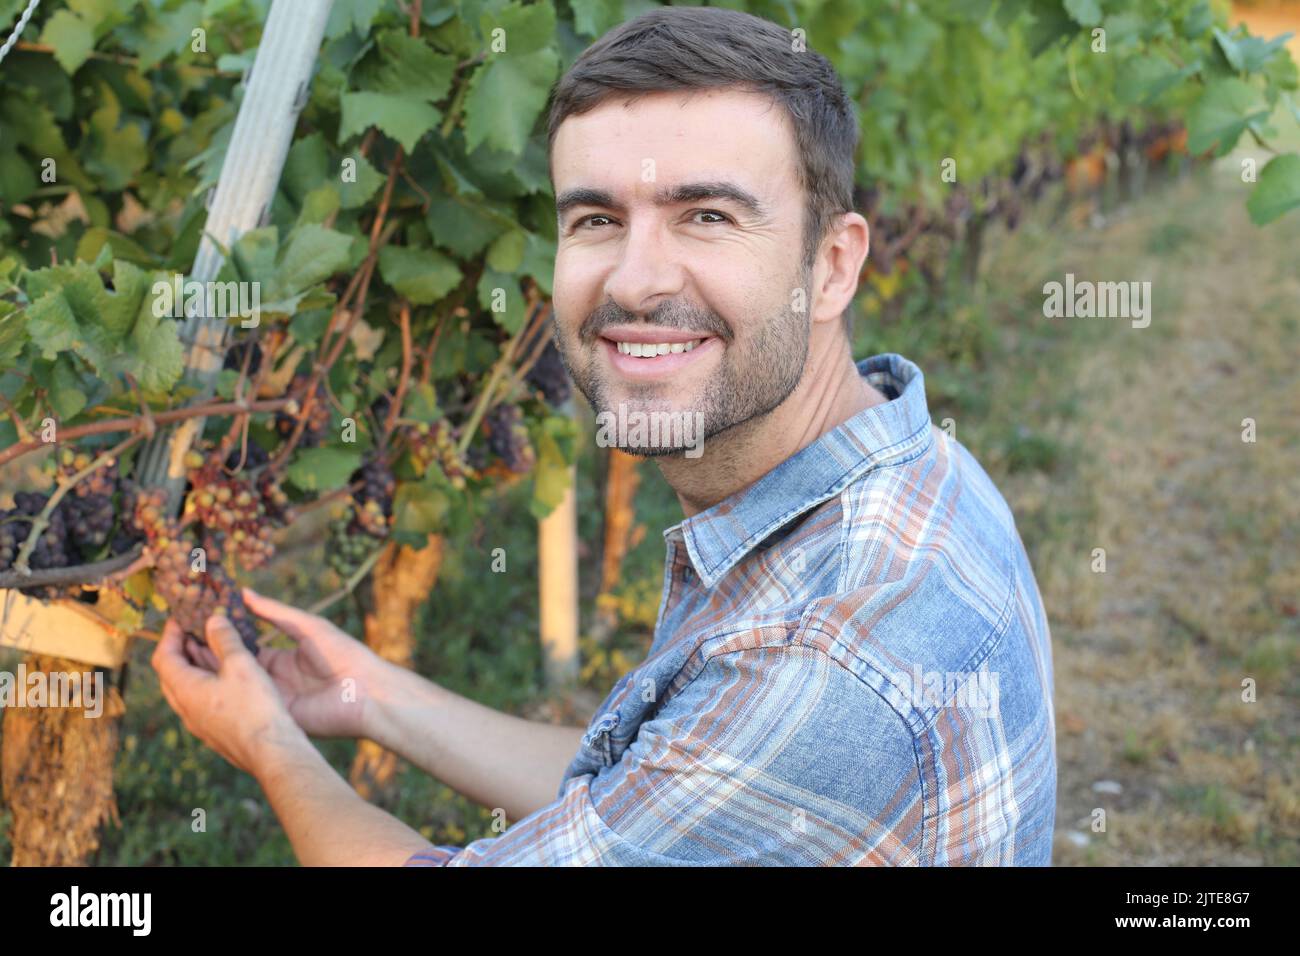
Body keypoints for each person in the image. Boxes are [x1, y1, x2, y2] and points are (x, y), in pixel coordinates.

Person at [153, 5, 1057, 866]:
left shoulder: (830, 663)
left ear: (832, 266)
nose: (634, 279)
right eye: (596, 220)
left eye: (707, 216)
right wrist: (370, 695)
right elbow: (658, 793)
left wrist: (270, 745)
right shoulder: (907, 461)